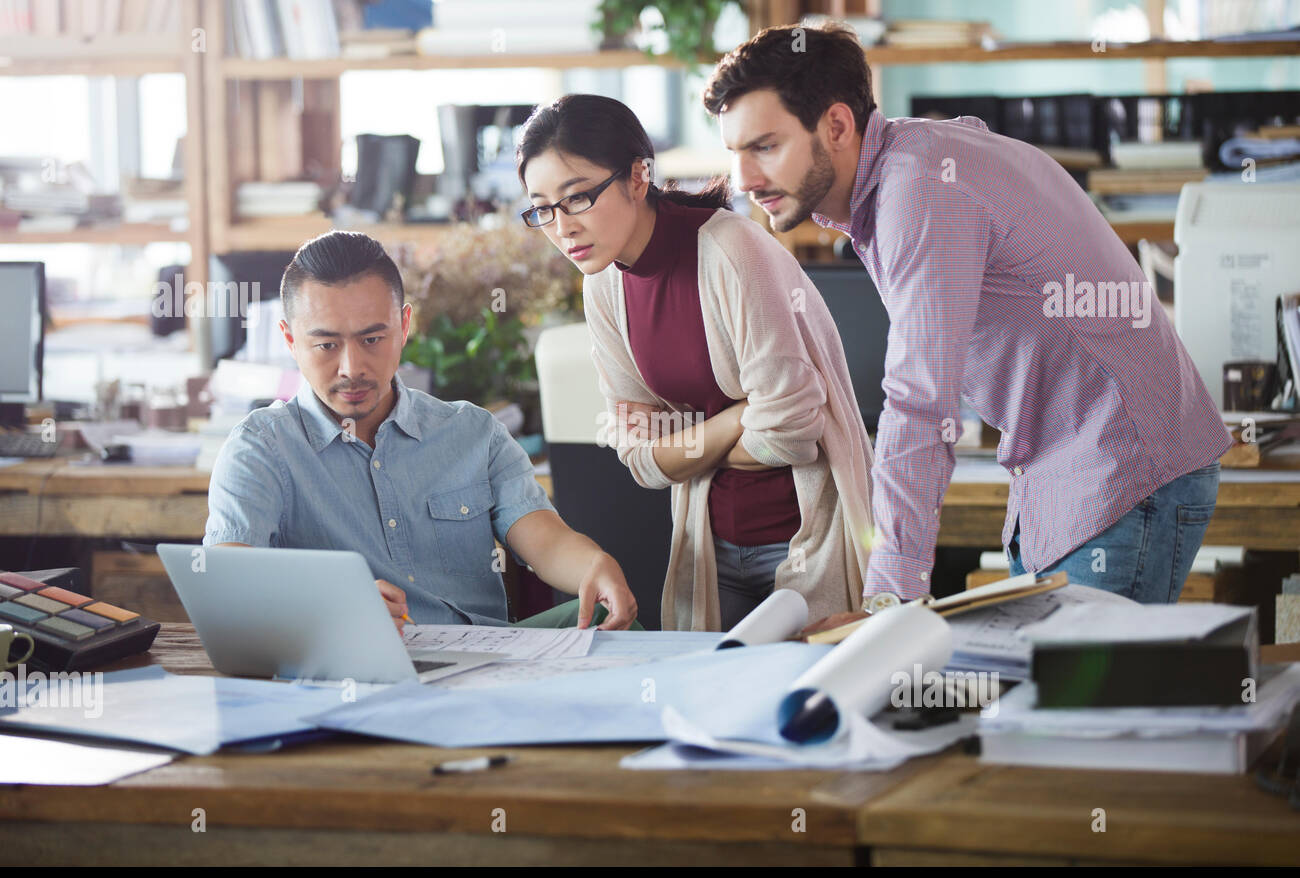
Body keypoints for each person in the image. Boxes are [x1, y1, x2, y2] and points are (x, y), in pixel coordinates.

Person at [703, 24, 1232, 615]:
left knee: (1072, 682)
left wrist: (891, 595)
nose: (744, 179)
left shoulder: (920, 187)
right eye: (735, 152)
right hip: (1068, 477)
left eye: (765, 147)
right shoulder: (913, 162)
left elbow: (920, 400)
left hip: (1121, 473)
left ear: (837, 126)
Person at [516, 93, 875, 631]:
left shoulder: (731, 250)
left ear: (638, 176)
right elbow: (639, 458)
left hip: (804, 540)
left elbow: (789, 435)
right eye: (542, 208)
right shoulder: (603, 284)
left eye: (578, 197)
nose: (562, 228)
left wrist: (683, 441)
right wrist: (738, 418)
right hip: (707, 546)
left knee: (809, 680)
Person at [203, 230, 637, 633]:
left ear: (405, 326)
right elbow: (228, 581)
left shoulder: (473, 432)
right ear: (290, 340)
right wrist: (331, 607)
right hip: (345, 666)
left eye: (372, 339)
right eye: (326, 345)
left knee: (612, 624)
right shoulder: (260, 449)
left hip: (487, 661)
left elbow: (546, 541)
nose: (351, 368)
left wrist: (592, 564)